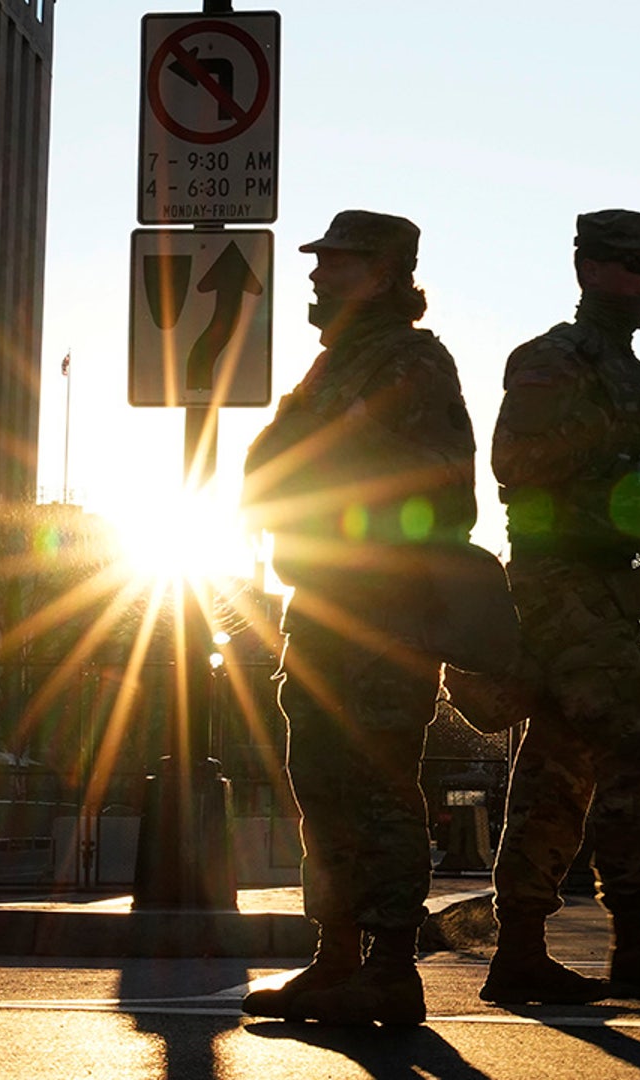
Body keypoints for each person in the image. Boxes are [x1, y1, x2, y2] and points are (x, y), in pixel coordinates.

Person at [239, 209, 478, 1025]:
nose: (315, 274)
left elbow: (445, 488)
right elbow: (262, 471)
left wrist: (333, 469)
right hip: (323, 608)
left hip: (386, 612)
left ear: (382, 273)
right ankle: (334, 955)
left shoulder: (413, 361)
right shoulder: (333, 367)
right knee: (321, 779)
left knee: (379, 783)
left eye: (335, 263)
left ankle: (389, 966)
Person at [482, 209, 640, 1005]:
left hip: (607, 584)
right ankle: (635, 939)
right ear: (585, 269)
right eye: (623, 266)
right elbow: (514, 461)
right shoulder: (553, 359)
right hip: (557, 579)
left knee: (560, 765)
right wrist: (614, 442)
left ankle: (518, 950)